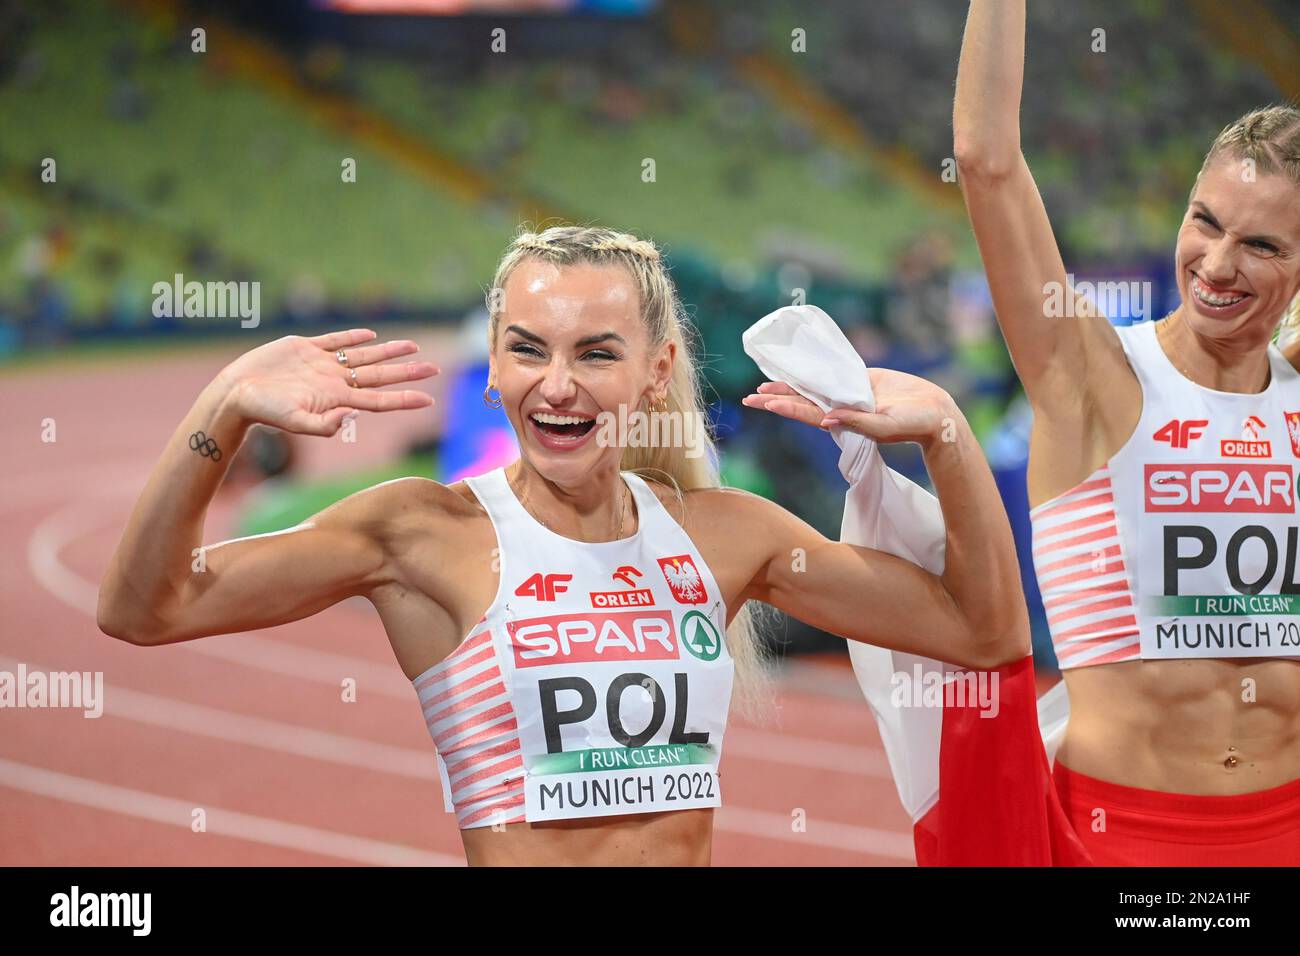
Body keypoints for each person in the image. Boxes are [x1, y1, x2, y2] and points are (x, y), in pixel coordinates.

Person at [98, 225, 1029, 866]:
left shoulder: (725, 538)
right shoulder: (420, 533)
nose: (558, 386)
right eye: (528, 348)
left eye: (596, 353)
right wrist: (218, 411)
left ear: (655, 370)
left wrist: (945, 433)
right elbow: (146, 607)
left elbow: (982, 634)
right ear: (495, 367)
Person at [954, 0, 1300, 863]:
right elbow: (986, 161)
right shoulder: (1090, 376)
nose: (1217, 265)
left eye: (1262, 245)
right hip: (1119, 836)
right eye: (1205, 221)